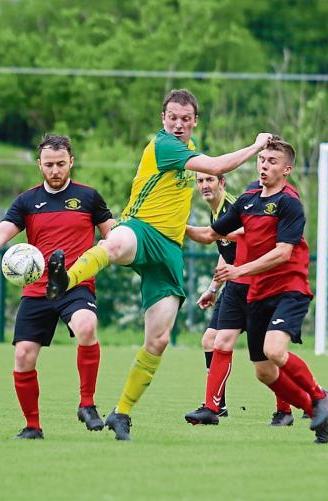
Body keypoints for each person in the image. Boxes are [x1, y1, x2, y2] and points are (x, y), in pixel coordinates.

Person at [46, 88, 273, 440]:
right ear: (162, 120)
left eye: (185, 119)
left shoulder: (187, 149)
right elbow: (216, 166)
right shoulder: (164, 145)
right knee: (116, 241)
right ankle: (65, 279)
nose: (179, 124)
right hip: (142, 228)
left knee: (159, 339)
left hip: (169, 249)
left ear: (195, 121)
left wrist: (214, 246)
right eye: (173, 118)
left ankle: (122, 413)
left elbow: (198, 218)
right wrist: (257, 145)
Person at [0, 135, 114, 439]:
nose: (55, 170)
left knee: (87, 326)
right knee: (23, 356)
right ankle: (32, 426)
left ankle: (87, 404)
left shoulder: (89, 197)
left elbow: (112, 236)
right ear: (39, 164)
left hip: (74, 283)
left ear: (71, 162)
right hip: (37, 289)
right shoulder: (27, 201)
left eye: (61, 164)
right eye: (49, 164)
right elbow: (1, 233)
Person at [186, 136, 328, 444]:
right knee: (264, 372)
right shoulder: (248, 199)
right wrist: (167, 227)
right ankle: (315, 408)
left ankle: (320, 397)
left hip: (289, 289)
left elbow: (283, 252)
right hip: (257, 293)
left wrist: (238, 271)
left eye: (272, 162)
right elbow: (211, 234)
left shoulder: (289, 203)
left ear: (287, 169)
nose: (264, 166)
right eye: (262, 160)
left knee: (274, 351)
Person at [184, 173, 296, 427]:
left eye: (210, 180)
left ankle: (299, 401)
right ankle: (215, 406)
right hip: (235, 285)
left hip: (258, 285)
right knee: (213, 340)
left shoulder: (237, 206)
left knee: (268, 357)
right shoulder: (216, 213)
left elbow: (255, 241)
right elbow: (229, 252)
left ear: (222, 183)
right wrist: (213, 287)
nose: (204, 185)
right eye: (200, 181)